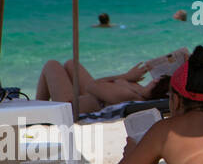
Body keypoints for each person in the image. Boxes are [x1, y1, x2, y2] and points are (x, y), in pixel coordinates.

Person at [36, 49, 189, 115]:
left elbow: (91, 86)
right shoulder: (139, 92)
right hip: (90, 97)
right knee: (71, 63)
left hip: (70, 106)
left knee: (52, 64)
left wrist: (126, 76)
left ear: (156, 81)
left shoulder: (128, 95)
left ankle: (36, 113)